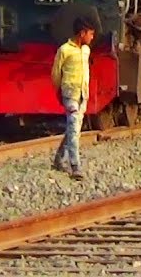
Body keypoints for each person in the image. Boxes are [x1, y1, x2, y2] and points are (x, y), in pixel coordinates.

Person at [50, 18, 95, 179]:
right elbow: (56, 73)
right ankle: (75, 166)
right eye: (90, 34)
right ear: (82, 33)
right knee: (74, 128)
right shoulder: (64, 50)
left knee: (73, 128)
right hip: (70, 94)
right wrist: (59, 90)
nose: (92, 38)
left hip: (83, 94)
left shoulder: (86, 50)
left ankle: (58, 159)